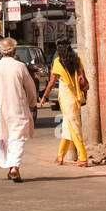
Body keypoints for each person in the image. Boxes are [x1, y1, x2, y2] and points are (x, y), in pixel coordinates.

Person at [0, 36, 38, 182]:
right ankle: (14, 167)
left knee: (4, 138)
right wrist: (32, 103)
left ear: (1, 51)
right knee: (17, 138)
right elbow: (31, 88)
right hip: (18, 107)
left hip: (0, 109)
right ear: (13, 50)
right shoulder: (20, 66)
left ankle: (11, 166)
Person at [39, 40, 88, 168]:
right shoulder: (77, 60)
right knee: (68, 126)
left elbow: (51, 83)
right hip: (76, 98)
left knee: (74, 128)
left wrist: (44, 97)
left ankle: (83, 157)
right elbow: (84, 80)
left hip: (66, 99)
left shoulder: (57, 62)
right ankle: (60, 155)